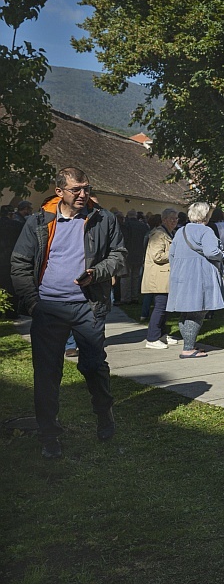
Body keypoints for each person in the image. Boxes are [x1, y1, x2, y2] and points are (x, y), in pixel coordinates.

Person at [10, 167, 127, 458]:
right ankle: (49, 435)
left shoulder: (103, 219)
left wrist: (97, 272)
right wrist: (33, 303)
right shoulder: (39, 222)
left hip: (87, 307)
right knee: (47, 374)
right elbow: (20, 262)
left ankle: (104, 416)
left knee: (93, 365)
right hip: (48, 308)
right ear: (60, 191)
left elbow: (119, 255)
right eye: (76, 189)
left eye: (86, 188)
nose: (83, 194)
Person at [166, 201, 224, 358]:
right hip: (199, 275)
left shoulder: (181, 231)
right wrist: (223, 255)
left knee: (186, 312)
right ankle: (188, 348)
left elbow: (171, 254)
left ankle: (189, 344)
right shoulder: (206, 231)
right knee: (198, 311)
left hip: (181, 275)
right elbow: (211, 252)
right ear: (205, 215)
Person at [142, 209, 180, 349]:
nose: (174, 221)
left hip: (166, 275)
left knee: (166, 308)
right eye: (171, 219)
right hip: (159, 276)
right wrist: (175, 252)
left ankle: (162, 334)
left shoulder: (170, 233)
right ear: (164, 219)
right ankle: (152, 338)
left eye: (176, 219)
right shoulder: (158, 234)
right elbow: (157, 256)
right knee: (160, 307)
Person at [119, 209, 149, 304]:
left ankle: (126, 298)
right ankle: (134, 296)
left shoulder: (126, 225)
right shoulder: (144, 226)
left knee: (126, 277)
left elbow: (124, 240)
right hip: (139, 253)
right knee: (136, 276)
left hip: (128, 253)